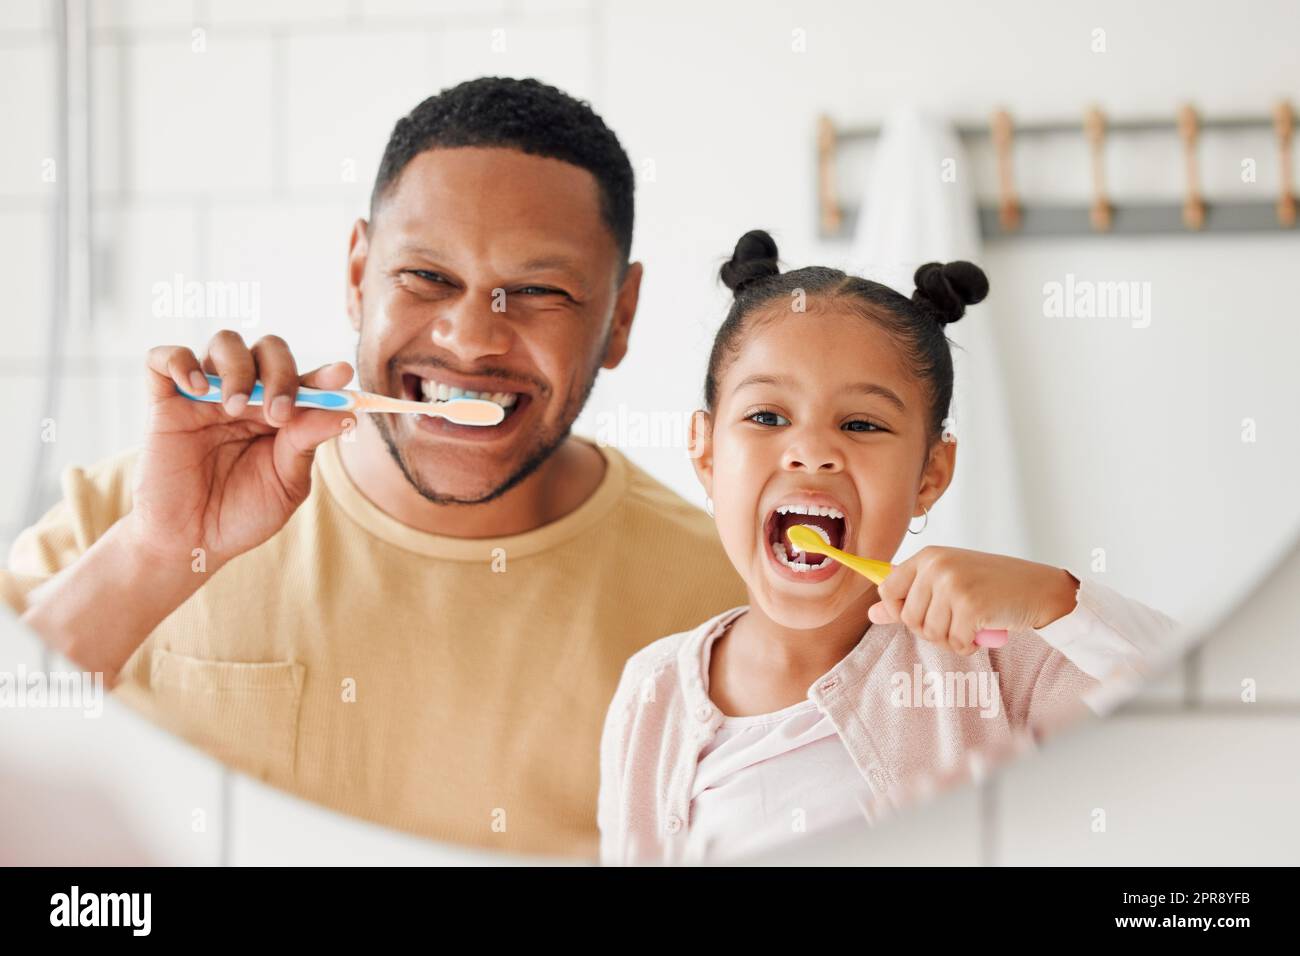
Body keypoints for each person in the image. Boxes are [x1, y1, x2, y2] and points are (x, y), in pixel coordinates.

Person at [1, 77, 747, 861]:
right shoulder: (126, 519)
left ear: (620, 316)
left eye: (537, 291)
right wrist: (154, 556)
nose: (470, 341)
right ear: (359, 276)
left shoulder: (722, 605)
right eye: (427, 278)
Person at [597, 230, 1183, 865]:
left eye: (861, 424)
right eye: (767, 417)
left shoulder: (1002, 669)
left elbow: (1203, 728)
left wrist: (1053, 599)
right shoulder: (651, 693)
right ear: (706, 451)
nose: (813, 450)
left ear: (930, 474)